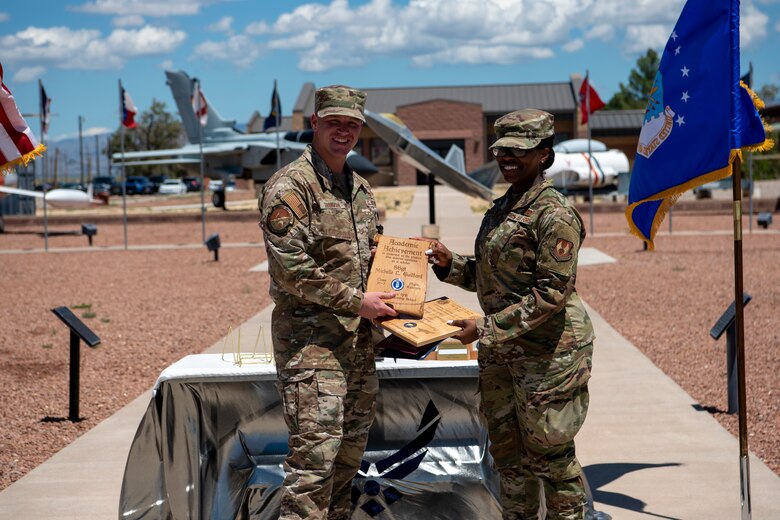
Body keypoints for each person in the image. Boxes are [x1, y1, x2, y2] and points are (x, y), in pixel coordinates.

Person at [425, 109, 595, 519]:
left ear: (545, 156)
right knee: (510, 462)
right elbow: (493, 278)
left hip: (548, 355)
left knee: (551, 461)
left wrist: (484, 328)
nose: (508, 158)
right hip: (504, 354)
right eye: (502, 150)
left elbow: (551, 293)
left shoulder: (554, 214)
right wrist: (449, 265)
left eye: (520, 151)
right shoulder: (504, 206)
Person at [259, 85, 397, 520]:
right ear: (314, 123)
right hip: (312, 350)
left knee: (346, 465)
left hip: (357, 349)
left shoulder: (359, 189)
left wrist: (403, 268)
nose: (344, 132)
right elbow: (292, 270)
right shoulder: (290, 187)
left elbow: (370, 256)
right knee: (313, 468)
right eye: (335, 122)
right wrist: (360, 303)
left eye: (352, 124)